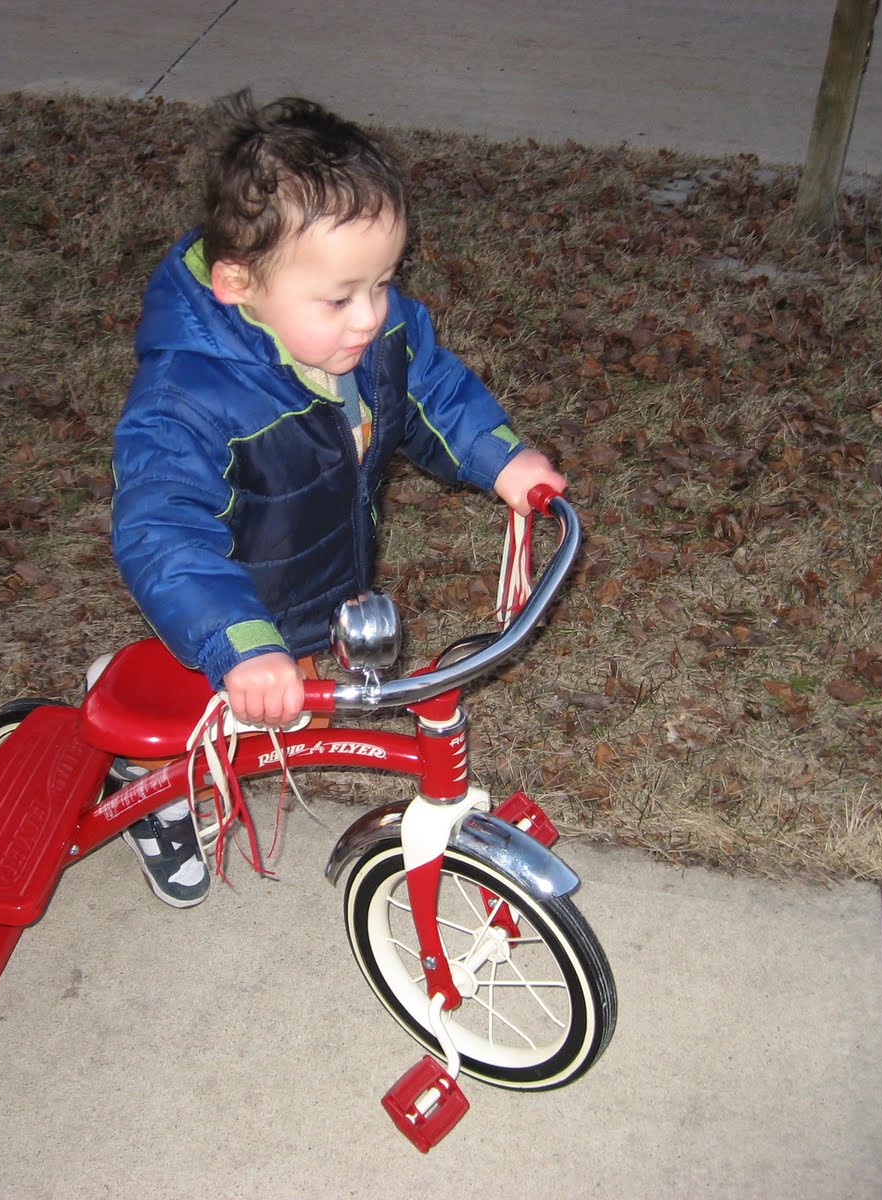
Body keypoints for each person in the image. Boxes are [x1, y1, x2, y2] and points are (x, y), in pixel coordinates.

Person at [109, 92, 564, 907]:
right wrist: (242, 643)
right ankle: (146, 785)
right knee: (224, 706)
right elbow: (163, 531)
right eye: (342, 297)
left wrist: (505, 462)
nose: (371, 317)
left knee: (300, 707)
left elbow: (433, 390)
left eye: (384, 284)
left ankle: (261, 676)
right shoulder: (186, 399)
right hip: (232, 599)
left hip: (317, 578)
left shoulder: (374, 334)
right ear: (237, 284)